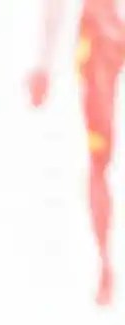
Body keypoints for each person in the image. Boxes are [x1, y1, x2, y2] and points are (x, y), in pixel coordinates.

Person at [29, 0, 124, 307]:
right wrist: (43, 64)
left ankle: (104, 264)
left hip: (102, 32)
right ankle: (104, 263)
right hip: (96, 38)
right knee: (99, 158)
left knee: (100, 160)